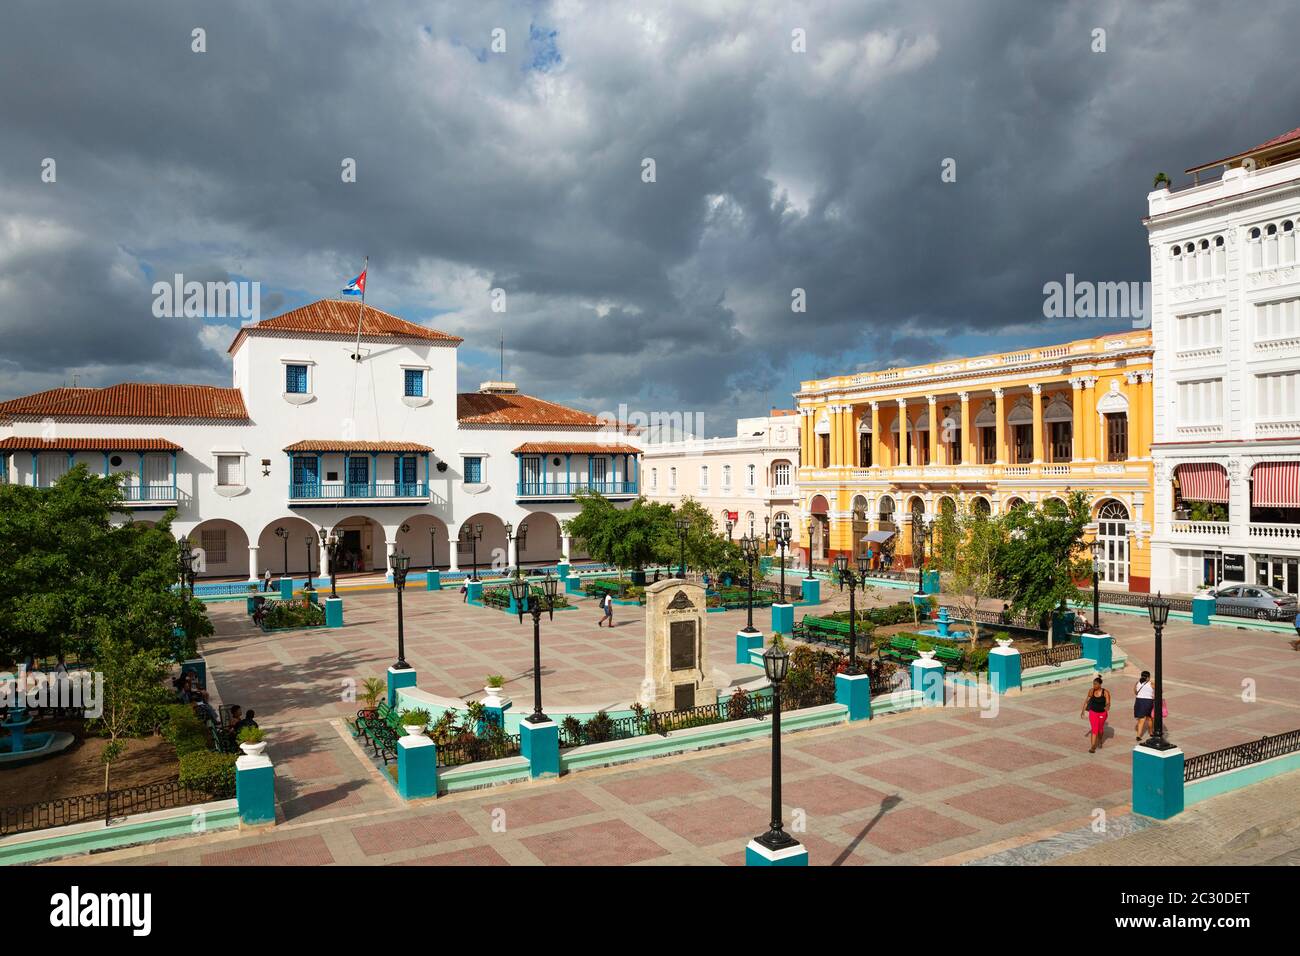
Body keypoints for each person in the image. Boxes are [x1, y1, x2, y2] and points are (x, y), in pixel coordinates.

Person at [1080, 676, 1110, 753]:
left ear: (1100, 684)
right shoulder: (1091, 691)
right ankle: (1093, 747)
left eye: (1096, 684)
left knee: (1100, 729)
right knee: (1094, 729)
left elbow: (1108, 702)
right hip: (1093, 713)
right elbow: (1087, 701)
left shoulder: (1105, 692)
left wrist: (1107, 706)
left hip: (1102, 713)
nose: (1094, 686)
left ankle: (1100, 740)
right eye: (1093, 684)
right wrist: (1083, 711)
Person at [1133, 670, 1155, 741]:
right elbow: (1160, 690)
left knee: (1141, 719)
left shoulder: (1137, 683)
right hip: (1148, 701)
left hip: (1138, 701)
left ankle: (1139, 735)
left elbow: (1135, 692)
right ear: (1148, 677)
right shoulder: (1151, 683)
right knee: (1149, 718)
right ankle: (1150, 733)